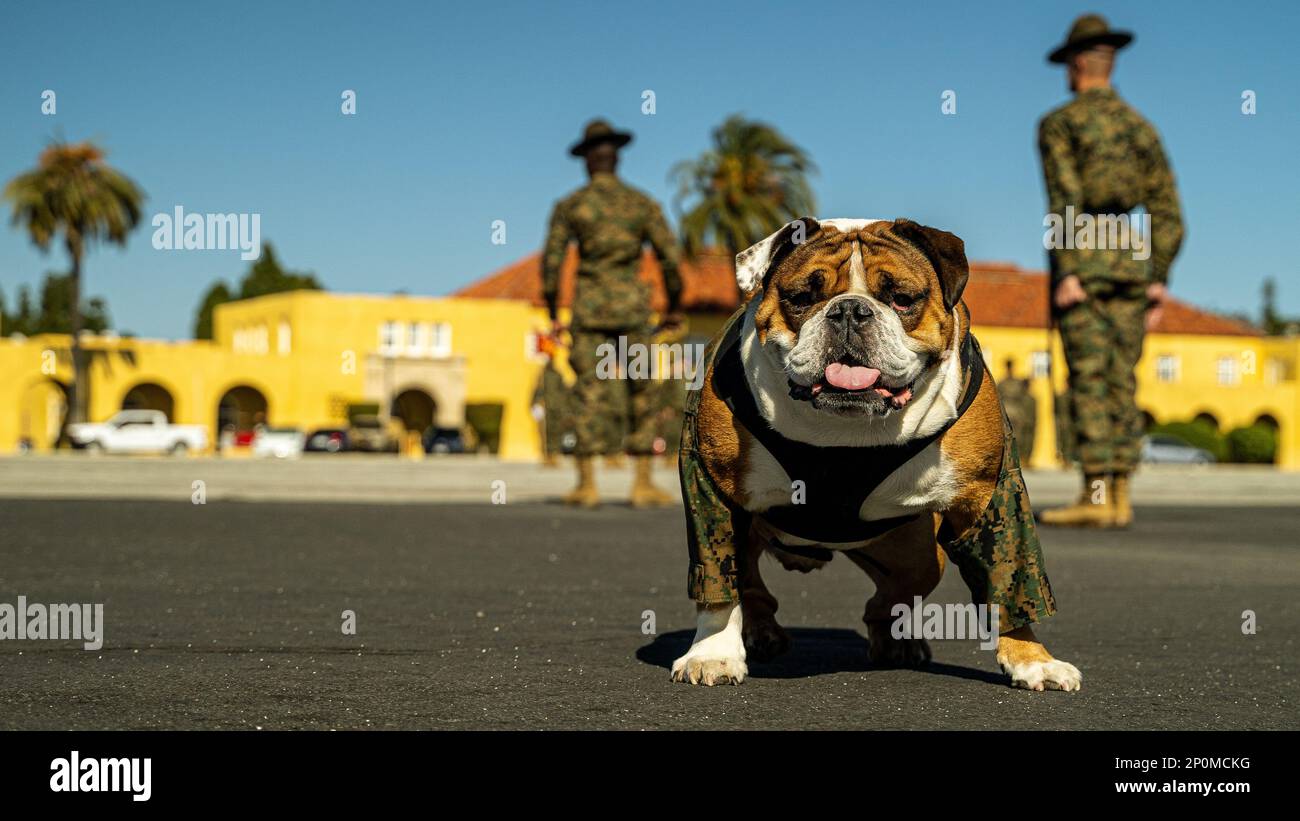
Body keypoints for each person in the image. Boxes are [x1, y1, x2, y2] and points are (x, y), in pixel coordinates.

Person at [1037, 14, 1184, 528]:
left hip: (1087, 259)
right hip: (1133, 261)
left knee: (1090, 378)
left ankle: (1096, 496)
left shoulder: (1061, 123)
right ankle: (1119, 496)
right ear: (1111, 62)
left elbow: (1065, 197)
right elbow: (1168, 209)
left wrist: (1068, 270)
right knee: (1123, 379)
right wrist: (1158, 276)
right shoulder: (1141, 127)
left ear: (1077, 64)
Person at [541, 119, 684, 508]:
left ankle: (586, 485)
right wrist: (673, 307)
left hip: (589, 311)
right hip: (632, 310)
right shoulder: (642, 204)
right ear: (616, 159)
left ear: (587, 161)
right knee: (642, 389)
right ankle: (642, 484)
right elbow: (671, 260)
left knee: (589, 389)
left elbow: (551, 265)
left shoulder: (571, 206)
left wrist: (554, 311)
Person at [998, 357, 1037, 465]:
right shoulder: (1014, 383)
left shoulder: (1003, 383)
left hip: (1010, 413)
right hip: (1014, 413)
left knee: (1012, 438)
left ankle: (1012, 461)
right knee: (1014, 438)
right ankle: (1012, 461)